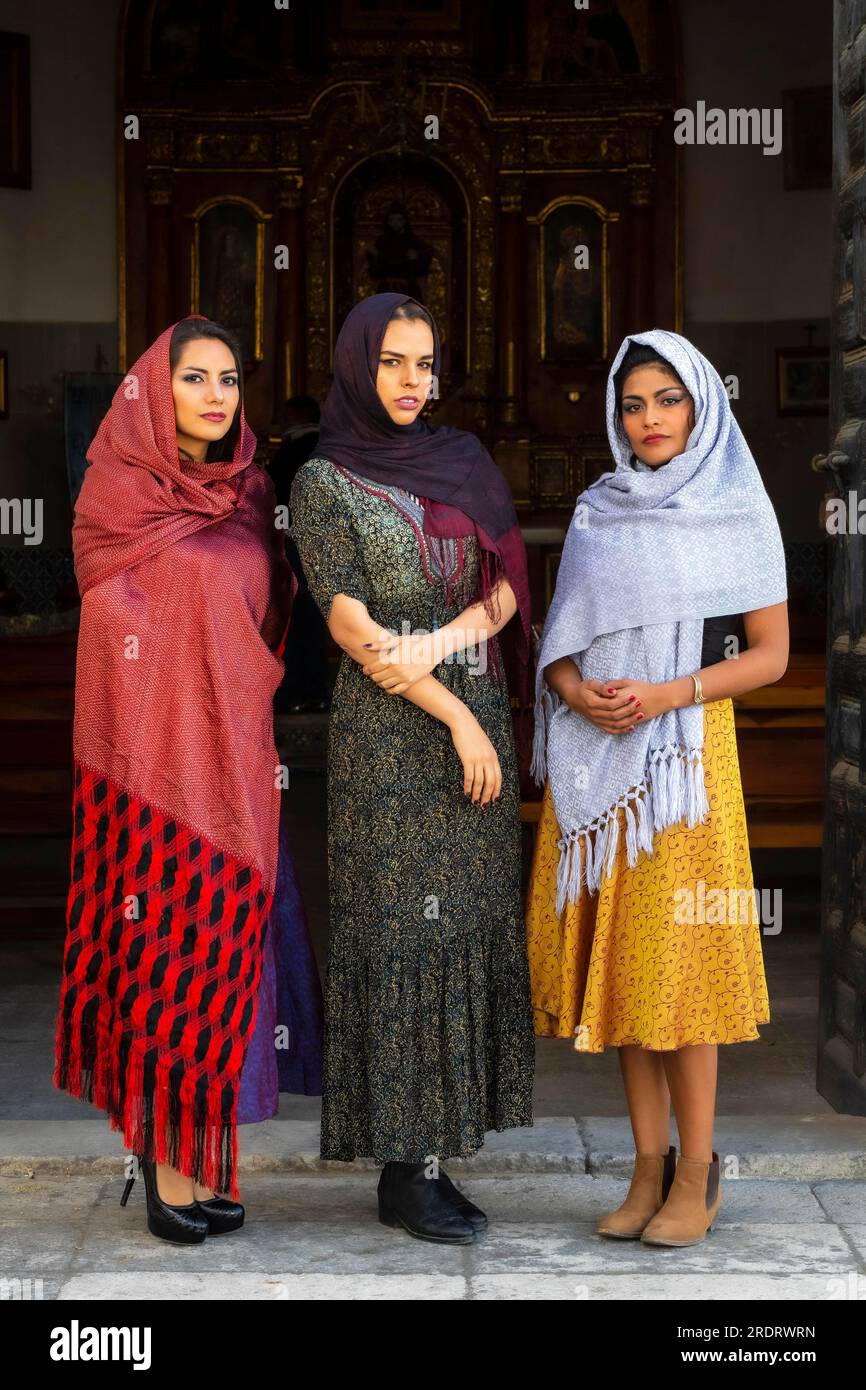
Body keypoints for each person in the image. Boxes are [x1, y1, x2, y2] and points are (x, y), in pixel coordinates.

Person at [526, 329, 789, 1248]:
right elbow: (560, 643)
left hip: (684, 765)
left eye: (666, 401)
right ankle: (646, 1169)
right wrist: (573, 695)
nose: (648, 420)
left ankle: (698, 1170)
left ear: (702, 405)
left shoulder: (737, 507)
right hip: (601, 758)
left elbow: (772, 655)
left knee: (685, 971)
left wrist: (669, 693)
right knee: (628, 968)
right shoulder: (601, 509)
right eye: (633, 404)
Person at [288, 292, 536, 1245]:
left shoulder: (462, 461)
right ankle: (404, 1168)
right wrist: (454, 713)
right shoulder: (323, 480)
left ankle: (438, 1153)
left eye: (425, 364)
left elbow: (507, 581)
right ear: (358, 363)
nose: (411, 381)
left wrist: (450, 638)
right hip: (391, 741)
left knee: (464, 927)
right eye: (393, 361)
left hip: (463, 704)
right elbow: (350, 626)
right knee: (399, 934)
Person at [52, 314, 300, 1243]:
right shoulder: (113, 496)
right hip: (150, 770)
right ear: (155, 390)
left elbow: (274, 616)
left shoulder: (251, 493)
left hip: (234, 755)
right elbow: (113, 640)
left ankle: (202, 1160)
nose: (215, 396)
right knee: (161, 950)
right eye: (195, 378)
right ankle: (163, 1162)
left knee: (220, 956)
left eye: (229, 379)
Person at [269, 395, 330, 713]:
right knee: (316, 622)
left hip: (294, 549)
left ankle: (296, 690)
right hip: (325, 550)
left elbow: (276, 505)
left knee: (296, 622)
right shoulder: (327, 451)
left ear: (293, 416)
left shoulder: (290, 453)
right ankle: (316, 690)